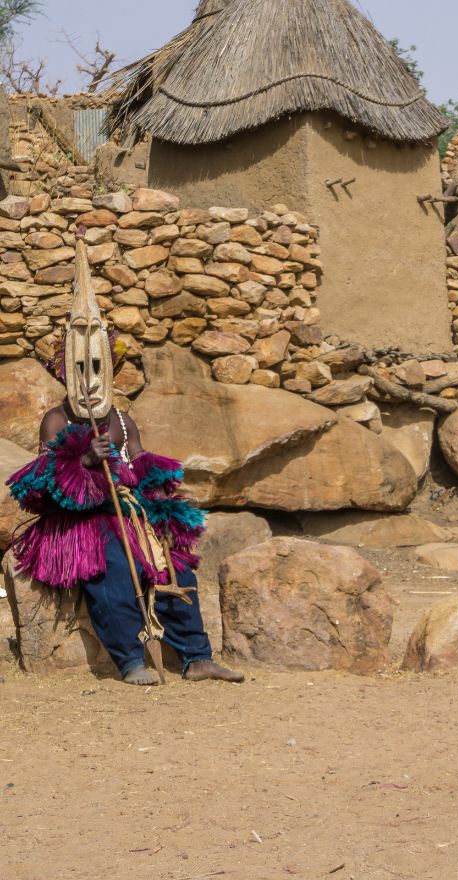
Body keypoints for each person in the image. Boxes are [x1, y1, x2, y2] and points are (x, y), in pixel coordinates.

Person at [6, 243, 242, 686]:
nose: (90, 378)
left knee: (173, 564)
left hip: (129, 513)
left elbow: (140, 469)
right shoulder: (56, 420)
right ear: (64, 372)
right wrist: (84, 461)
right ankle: (130, 659)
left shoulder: (121, 419)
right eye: (80, 368)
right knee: (111, 569)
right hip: (81, 522)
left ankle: (196, 656)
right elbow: (39, 489)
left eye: (98, 366)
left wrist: (158, 507)